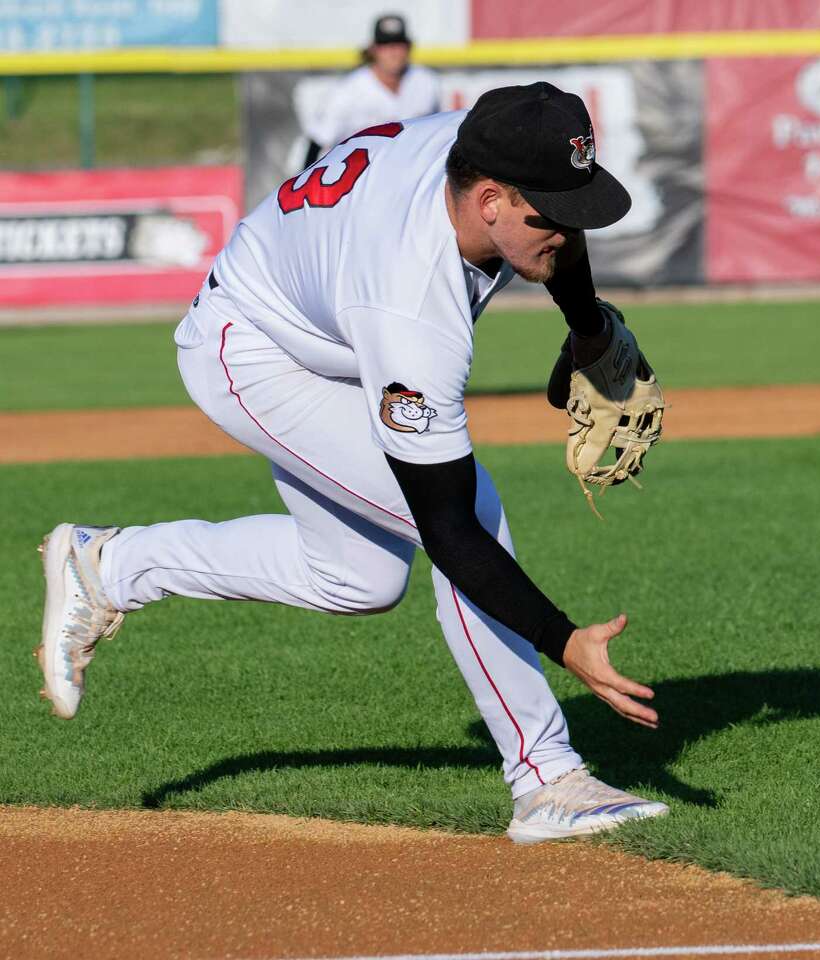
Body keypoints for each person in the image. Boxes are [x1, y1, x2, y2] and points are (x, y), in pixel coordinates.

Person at [36, 82, 669, 844]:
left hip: (325, 317)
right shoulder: (412, 306)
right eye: (550, 215)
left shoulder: (479, 156)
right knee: (472, 521)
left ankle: (112, 565)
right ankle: (546, 779)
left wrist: (590, 326)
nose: (566, 231)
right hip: (258, 351)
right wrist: (565, 641)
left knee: (359, 579)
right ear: (491, 199)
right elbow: (449, 531)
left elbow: (556, 223)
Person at [300, 14, 440, 168]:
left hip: (411, 171)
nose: (393, 52)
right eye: (386, 45)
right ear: (373, 49)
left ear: (408, 47)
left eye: (398, 44)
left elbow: (438, 135)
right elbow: (318, 141)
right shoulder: (349, 90)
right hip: (359, 176)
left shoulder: (426, 82)